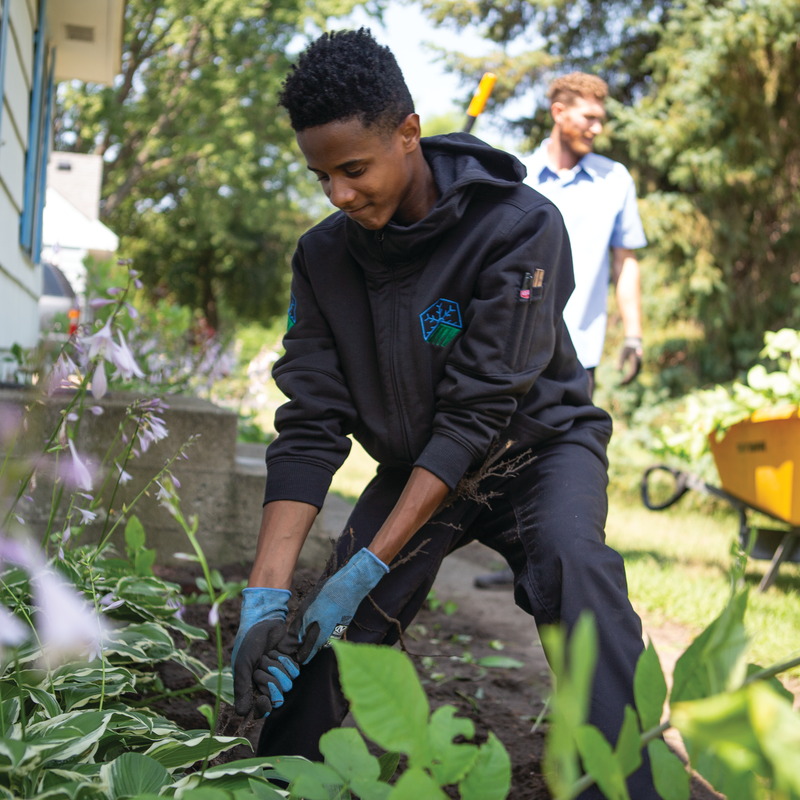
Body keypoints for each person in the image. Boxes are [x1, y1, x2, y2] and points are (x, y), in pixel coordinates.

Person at [231, 29, 657, 798]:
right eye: (321, 175)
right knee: (333, 623)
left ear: (408, 133)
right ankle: (277, 779)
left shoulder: (518, 226)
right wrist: (265, 595)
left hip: (537, 451)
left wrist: (371, 563)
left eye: (353, 170)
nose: (338, 195)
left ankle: (623, 785)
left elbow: (476, 415)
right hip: (417, 463)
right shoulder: (323, 259)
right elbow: (310, 423)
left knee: (576, 569)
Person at [475, 73, 648, 590]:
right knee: (502, 448)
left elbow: (626, 261)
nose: (597, 127)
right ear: (558, 112)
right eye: (589, 117)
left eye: (601, 118)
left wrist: (634, 333)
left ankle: (561, 560)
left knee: (568, 457)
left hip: (578, 353)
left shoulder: (614, 180)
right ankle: (515, 553)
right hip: (516, 347)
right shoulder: (518, 175)